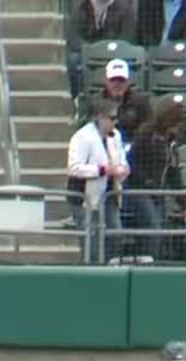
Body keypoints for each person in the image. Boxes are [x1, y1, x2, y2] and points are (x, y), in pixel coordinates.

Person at [66, 97, 128, 265]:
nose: (115, 122)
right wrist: (102, 170)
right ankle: (89, 271)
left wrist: (122, 169)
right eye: (112, 118)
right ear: (100, 117)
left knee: (115, 234)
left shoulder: (115, 137)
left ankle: (107, 266)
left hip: (109, 194)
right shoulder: (82, 137)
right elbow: (74, 168)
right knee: (90, 240)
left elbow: (121, 160)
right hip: (84, 196)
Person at [125, 96, 185, 263]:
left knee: (158, 228)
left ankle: (154, 261)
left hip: (157, 192)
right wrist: (146, 182)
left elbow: (174, 173)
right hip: (139, 190)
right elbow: (130, 163)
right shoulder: (145, 135)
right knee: (153, 226)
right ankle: (148, 264)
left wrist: (183, 203)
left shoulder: (171, 143)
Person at [64, 0, 133, 97]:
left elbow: (127, 39)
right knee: (73, 60)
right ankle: (78, 98)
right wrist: (93, 50)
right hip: (88, 54)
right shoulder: (81, 7)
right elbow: (74, 38)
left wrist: (106, 50)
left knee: (130, 62)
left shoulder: (124, 9)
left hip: (116, 54)